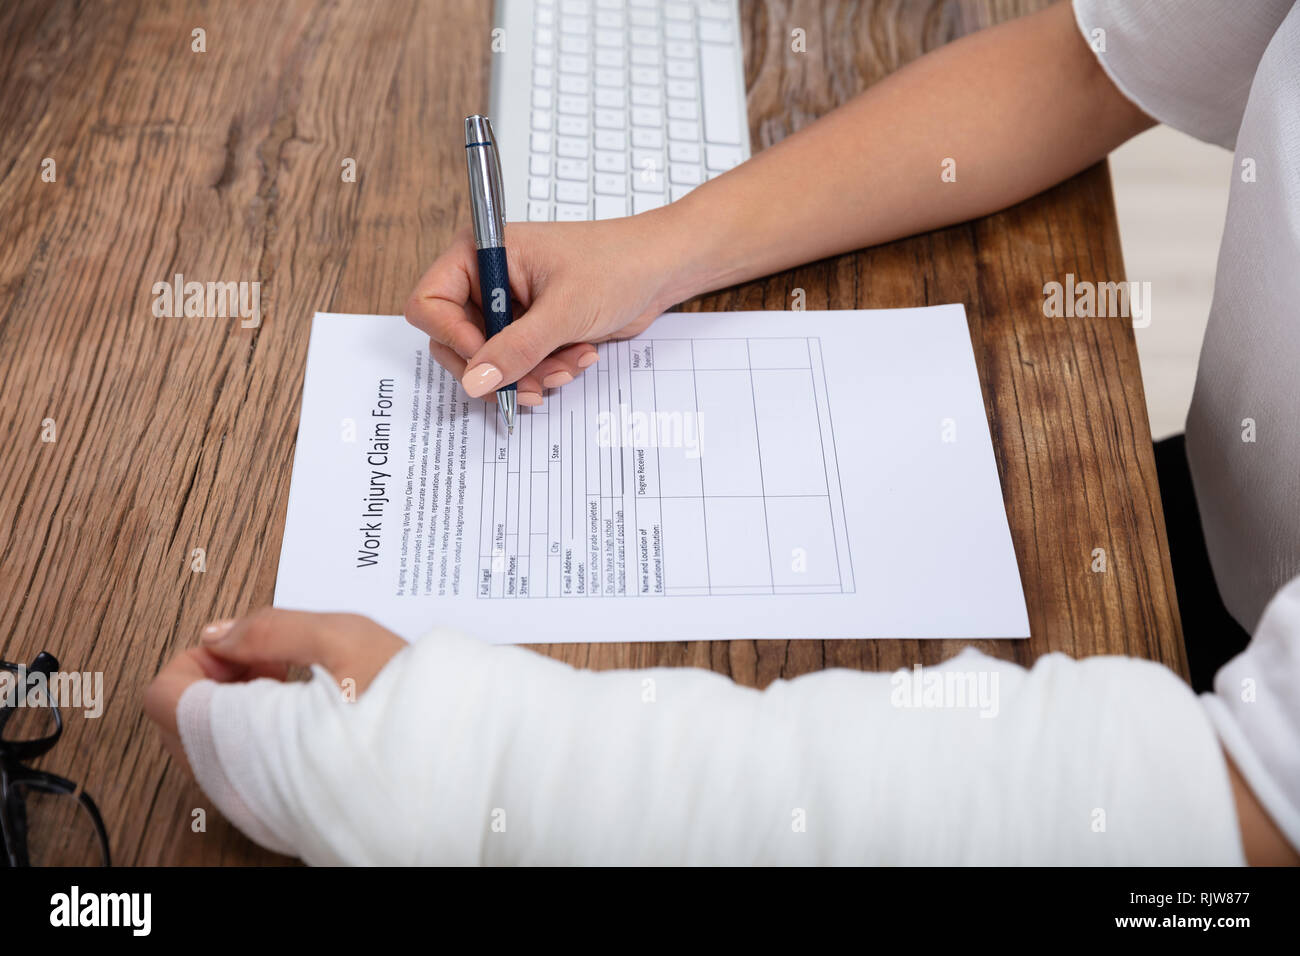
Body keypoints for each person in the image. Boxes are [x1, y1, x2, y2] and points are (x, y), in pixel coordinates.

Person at [146, 0, 1299, 864]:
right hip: (1210, 542)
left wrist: (449, 763)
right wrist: (660, 252)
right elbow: (1093, 61)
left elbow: (1236, 807)